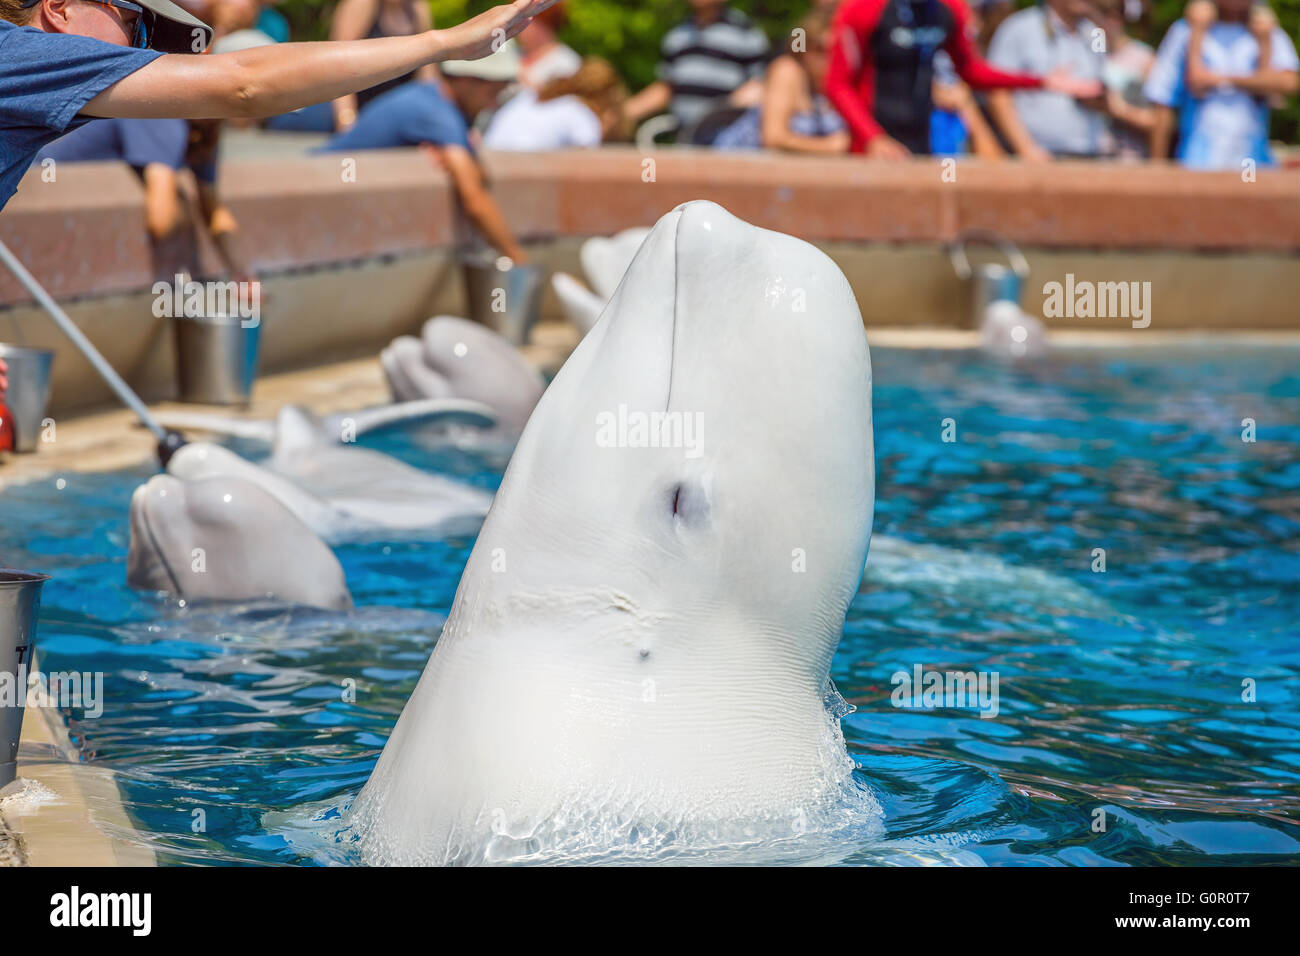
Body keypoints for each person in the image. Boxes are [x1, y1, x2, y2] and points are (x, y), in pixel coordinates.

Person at [0, 0, 557, 212]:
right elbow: (246, 84)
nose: (142, 50)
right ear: (60, 8)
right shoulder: (24, 56)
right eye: (134, 22)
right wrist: (446, 42)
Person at [320, 43, 529, 263]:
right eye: (492, 92)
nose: (494, 103)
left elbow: (479, 172)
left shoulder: (438, 101)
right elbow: (474, 198)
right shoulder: (437, 114)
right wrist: (517, 258)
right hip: (324, 191)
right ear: (466, 80)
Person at [826, 0, 1102, 158]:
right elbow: (837, 84)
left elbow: (970, 71)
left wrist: (1042, 82)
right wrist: (873, 138)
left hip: (921, 142)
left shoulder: (947, 10)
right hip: (871, 146)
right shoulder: (862, 10)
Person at [1144, 0, 1297, 168]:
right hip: (1197, 159)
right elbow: (1163, 98)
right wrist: (1157, 166)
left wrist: (1220, 80)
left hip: (1251, 160)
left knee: (1249, 188)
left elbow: (1290, 82)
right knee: (1203, 193)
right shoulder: (1186, 30)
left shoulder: (1266, 30)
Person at [622, 0, 771, 141]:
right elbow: (666, 88)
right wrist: (620, 114)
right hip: (686, 139)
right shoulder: (677, 36)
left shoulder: (746, 33)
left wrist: (720, 112)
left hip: (728, 139)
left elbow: (760, 86)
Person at [983, 0, 1110, 160]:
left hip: (1089, 154)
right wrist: (1026, 149)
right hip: (1035, 157)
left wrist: (1098, 98)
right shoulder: (1019, 28)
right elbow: (997, 92)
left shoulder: (1094, 33)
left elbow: (1101, 89)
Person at [713, 8, 848, 154]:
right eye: (819, 49)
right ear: (804, 50)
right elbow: (773, 138)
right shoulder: (787, 70)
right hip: (737, 163)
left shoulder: (827, 84)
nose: (827, 57)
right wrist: (828, 147)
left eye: (834, 49)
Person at [328, 0, 438, 134]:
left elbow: (427, 76)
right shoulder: (361, 4)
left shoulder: (417, 8)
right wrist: (346, 120)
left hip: (393, 116)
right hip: (355, 111)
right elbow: (338, 67)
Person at [484, 57, 627, 151]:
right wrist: (604, 129)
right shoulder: (580, 114)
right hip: (521, 173)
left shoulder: (529, 96)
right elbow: (588, 163)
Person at [1092, 0, 1156, 158]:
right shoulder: (1089, 52)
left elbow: (1157, 121)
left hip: (1129, 155)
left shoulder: (1144, 58)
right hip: (1091, 154)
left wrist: (1119, 109)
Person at [516, 0, 579, 89]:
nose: (517, 26)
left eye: (524, 21)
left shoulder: (567, 63)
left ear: (546, 24)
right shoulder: (514, 52)